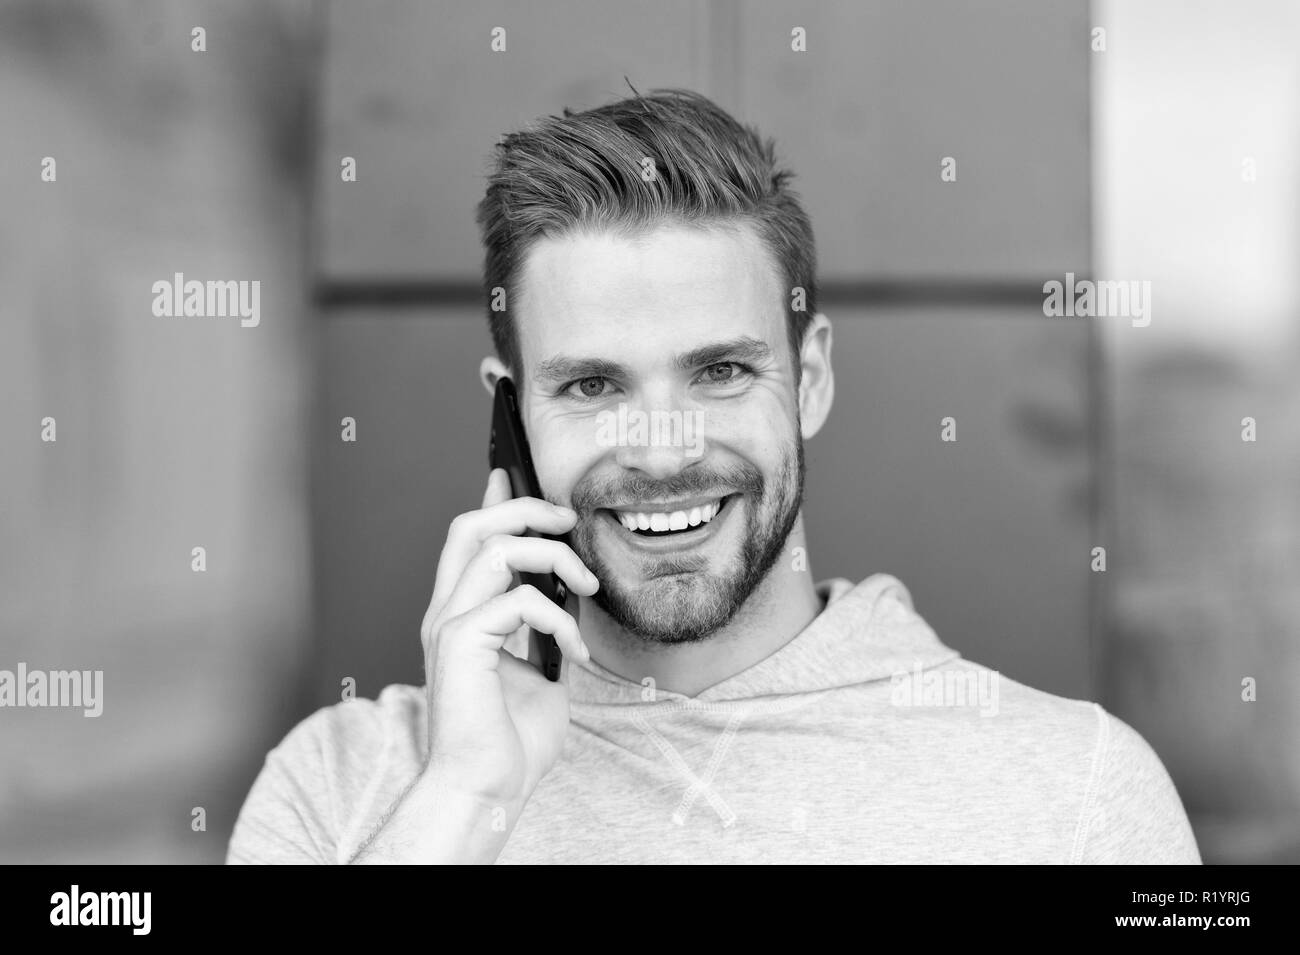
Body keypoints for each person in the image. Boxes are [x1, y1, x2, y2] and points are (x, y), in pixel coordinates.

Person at [227, 89, 1201, 864]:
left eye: (720, 370)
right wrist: (464, 801)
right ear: (508, 413)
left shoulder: (1077, 792)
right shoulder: (342, 787)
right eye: (592, 384)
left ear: (809, 377)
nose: (660, 449)